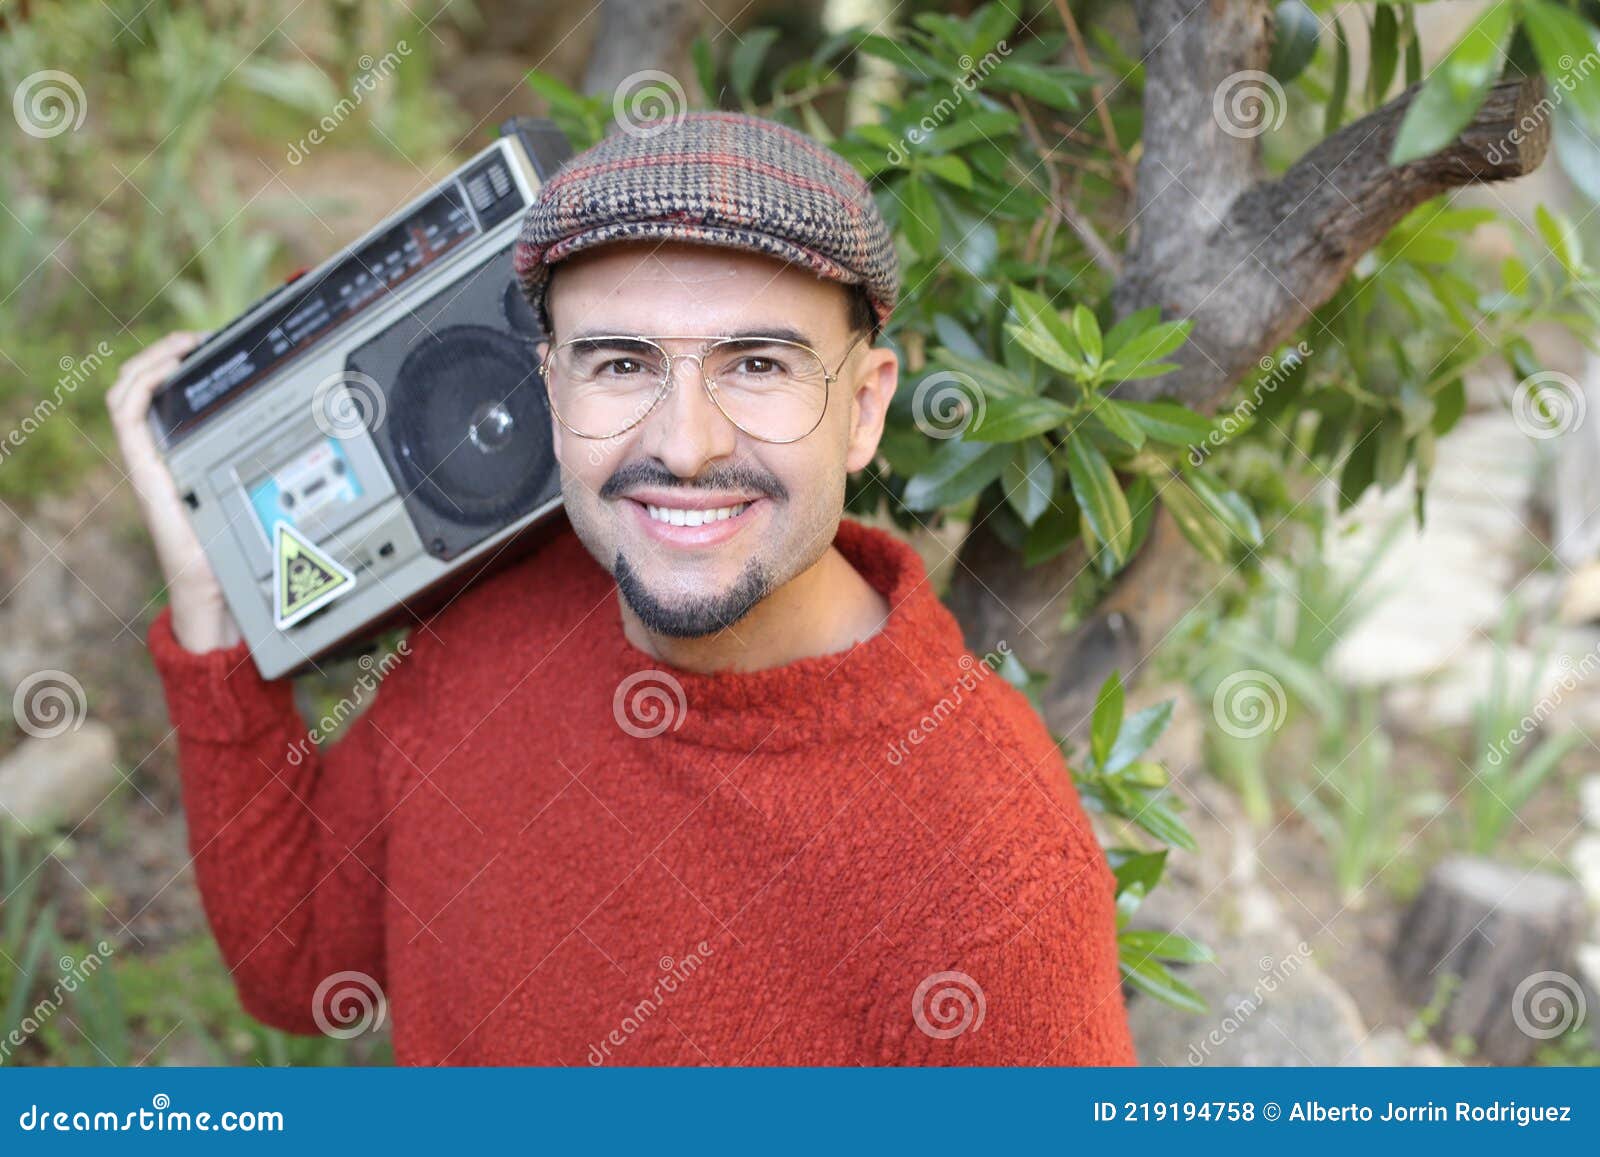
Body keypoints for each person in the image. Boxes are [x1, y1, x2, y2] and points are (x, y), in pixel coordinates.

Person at [107, 111, 1135, 1065]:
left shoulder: (999, 877)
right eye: (619, 364)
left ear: (863, 408)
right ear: (549, 387)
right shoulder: (493, 620)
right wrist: (210, 607)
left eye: (759, 365)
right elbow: (303, 965)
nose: (684, 444)